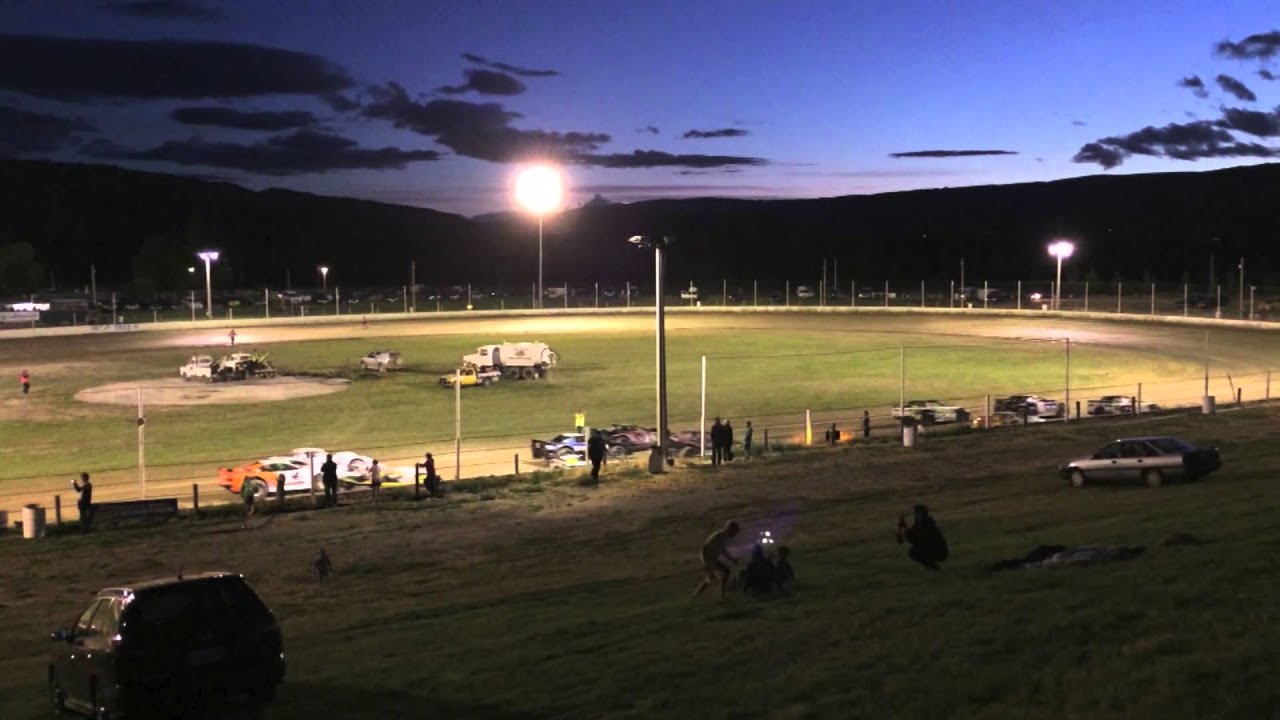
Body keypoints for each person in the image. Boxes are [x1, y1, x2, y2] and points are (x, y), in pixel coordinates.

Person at [692, 520, 740, 599]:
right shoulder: (719, 536)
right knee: (715, 577)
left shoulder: (725, 537)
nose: (735, 534)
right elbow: (705, 546)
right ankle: (721, 595)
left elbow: (723, 551)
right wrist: (705, 561)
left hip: (712, 559)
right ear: (730, 529)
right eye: (735, 532)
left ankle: (696, 596)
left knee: (716, 577)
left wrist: (732, 560)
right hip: (708, 559)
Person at [897, 504, 948, 570]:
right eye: (917, 514)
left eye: (920, 514)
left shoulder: (928, 525)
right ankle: (931, 566)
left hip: (939, 551)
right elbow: (912, 535)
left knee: (915, 551)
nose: (918, 516)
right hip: (932, 549)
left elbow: (920, 541)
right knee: (913, 552)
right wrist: (903, 531)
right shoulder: (918, 525)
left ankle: (933, 566)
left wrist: (907, 537)